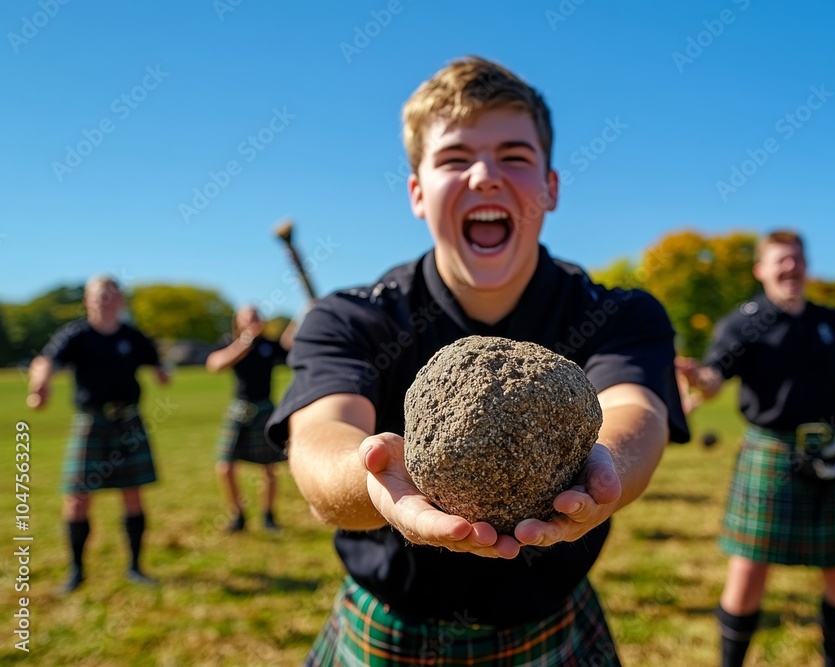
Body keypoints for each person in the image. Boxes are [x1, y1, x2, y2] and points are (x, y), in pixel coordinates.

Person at [265, 55, 690, 666]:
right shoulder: (352, 316)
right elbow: (319, 441)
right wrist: (377, 478)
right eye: (455, 158)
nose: (485, 176)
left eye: (514, 156)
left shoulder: (617, 313)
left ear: (550, 186)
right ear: (416, 192)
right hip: (390, 624)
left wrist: (604, 471)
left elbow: (634, 412)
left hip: (551, 623)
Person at [676, 230, 835, 667]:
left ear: (807, 266)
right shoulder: (743, 321)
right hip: (770, 452)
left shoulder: (829, 320)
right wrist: (697, 378)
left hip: (832, 451)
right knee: (749, 570)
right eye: (780, 261)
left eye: (797, 259)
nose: (790, 268)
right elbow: (715, 378)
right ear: (761, 270)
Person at [26, 275, 170, 592]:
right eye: (98, 295)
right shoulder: (76, 335)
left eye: (110, 295)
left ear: (120, 301)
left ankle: (135, 567)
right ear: (87, 301)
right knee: (77, 499)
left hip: (128, 421)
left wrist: (162, 373)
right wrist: (41, 383)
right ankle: (76, 572)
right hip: (92, 423)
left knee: (132, 493)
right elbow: (45, 360)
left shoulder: (132, 336)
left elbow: (157, 363)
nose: (104, 300)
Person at [205, 305, 295, 532]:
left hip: (265, 408)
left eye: (257, 316)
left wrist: (299, 321)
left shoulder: (268, 344)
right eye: (248, 317)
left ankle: (268, 516)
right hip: (240, 408)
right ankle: (238, 515)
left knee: (269, 468)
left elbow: (292, 351)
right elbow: (214, 365)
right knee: (225, 466)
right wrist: (244, 342)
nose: (254, 320)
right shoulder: (230, 341)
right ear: (238, 322)